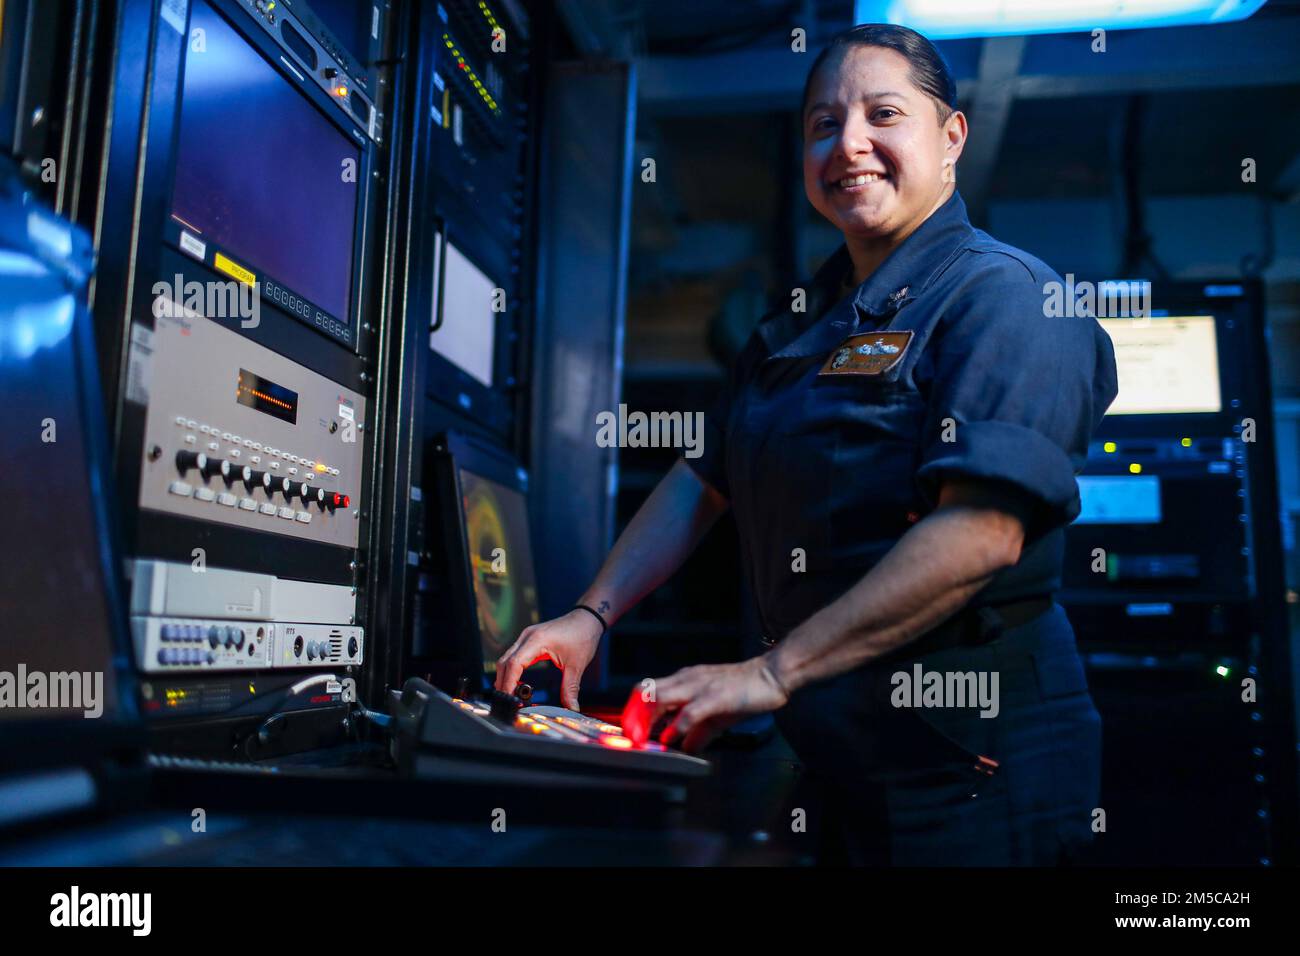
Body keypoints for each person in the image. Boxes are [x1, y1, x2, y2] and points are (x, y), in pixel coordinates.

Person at [495, 23, 1118, 865]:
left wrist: (773, 672)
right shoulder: (800, 322)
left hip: (969, 752)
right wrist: (589, 613)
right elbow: (701, 477)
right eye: (823, 124)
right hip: (830, 735)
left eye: (883, 114)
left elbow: (982, 532)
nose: (849, 143)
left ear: (952, 136)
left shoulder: (1009, 299)